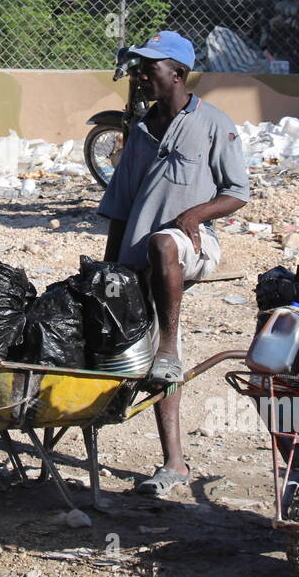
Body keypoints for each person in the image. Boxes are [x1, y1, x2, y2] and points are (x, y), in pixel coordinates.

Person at [98, 31, 250, 497]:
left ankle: (165, 345)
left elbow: (237, 192)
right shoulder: (139, 133)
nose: (142, 77)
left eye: (150, 69)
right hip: (142, 256)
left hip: (192, 243)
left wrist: (196, 214)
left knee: (165, 244)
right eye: (139, 69)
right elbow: (121, 209)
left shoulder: (213, 124)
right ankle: (175, 463)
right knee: (147, 357)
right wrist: (108, 274)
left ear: (178, 74)